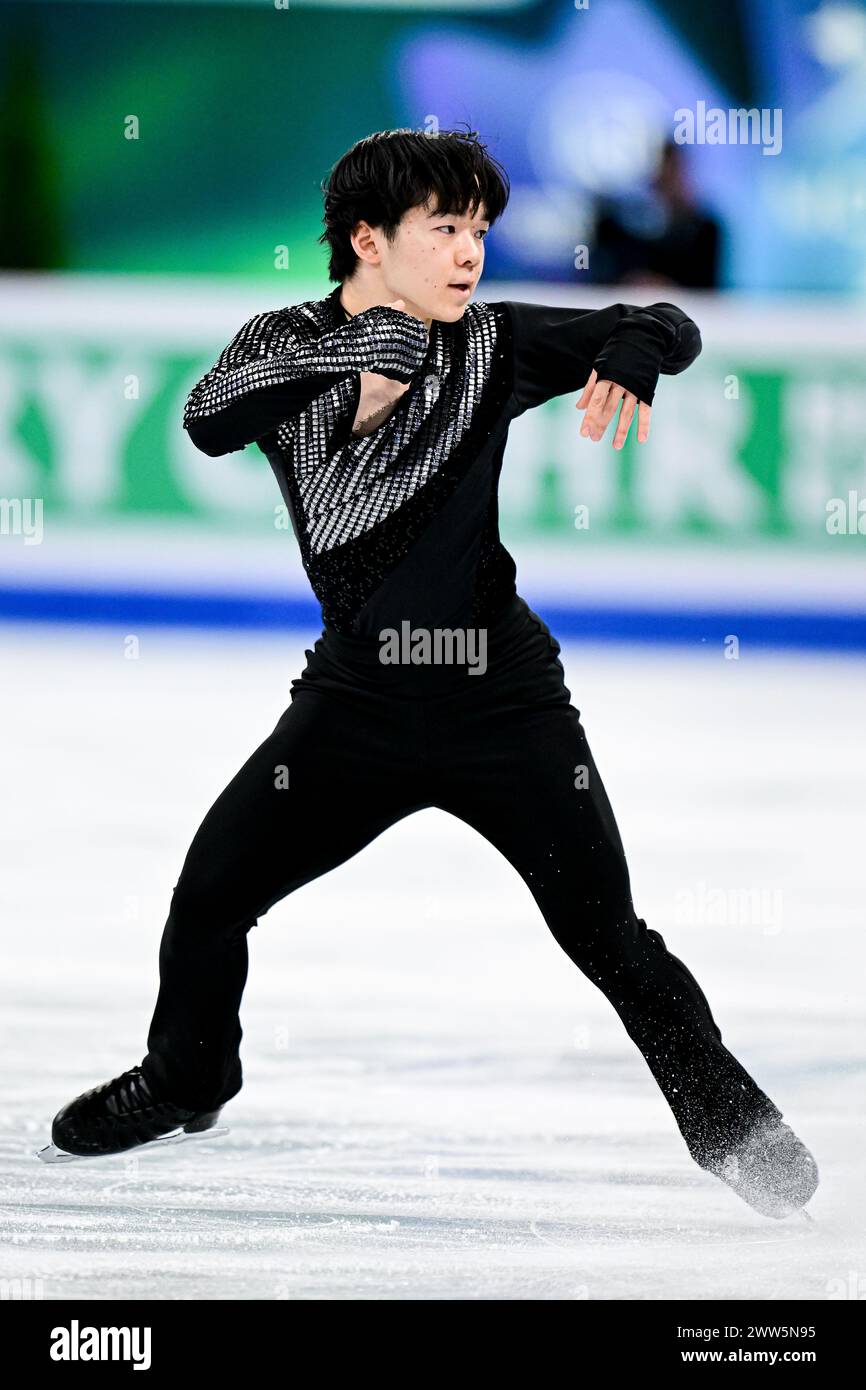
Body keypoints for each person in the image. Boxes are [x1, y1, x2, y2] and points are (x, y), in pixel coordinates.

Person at [47, 126, 817, 1219]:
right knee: (207, 901)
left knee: (609, 936)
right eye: (443, 230)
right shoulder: (282, 339)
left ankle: (741, 1137)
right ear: (367, 238)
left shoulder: (491, 346)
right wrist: (354, 357)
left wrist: (636, 348)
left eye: (479, 233)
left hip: (503, 703)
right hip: (353, 706)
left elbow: (665, 319)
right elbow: (209, 418)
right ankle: (186, 1079)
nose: (468, 255)